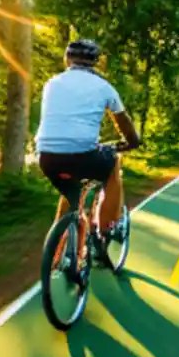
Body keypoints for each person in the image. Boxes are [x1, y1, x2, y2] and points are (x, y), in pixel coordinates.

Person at [35, 38, 142, 243]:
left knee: (70, 193)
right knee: (112, 163)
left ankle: (58, 243)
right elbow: (123, 121)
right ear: (95, 62)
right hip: (84, 155)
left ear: (67, 59)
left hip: (47, 157)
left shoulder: (51, 84)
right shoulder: (104, 87)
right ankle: (107, 227)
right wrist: (132, 142)